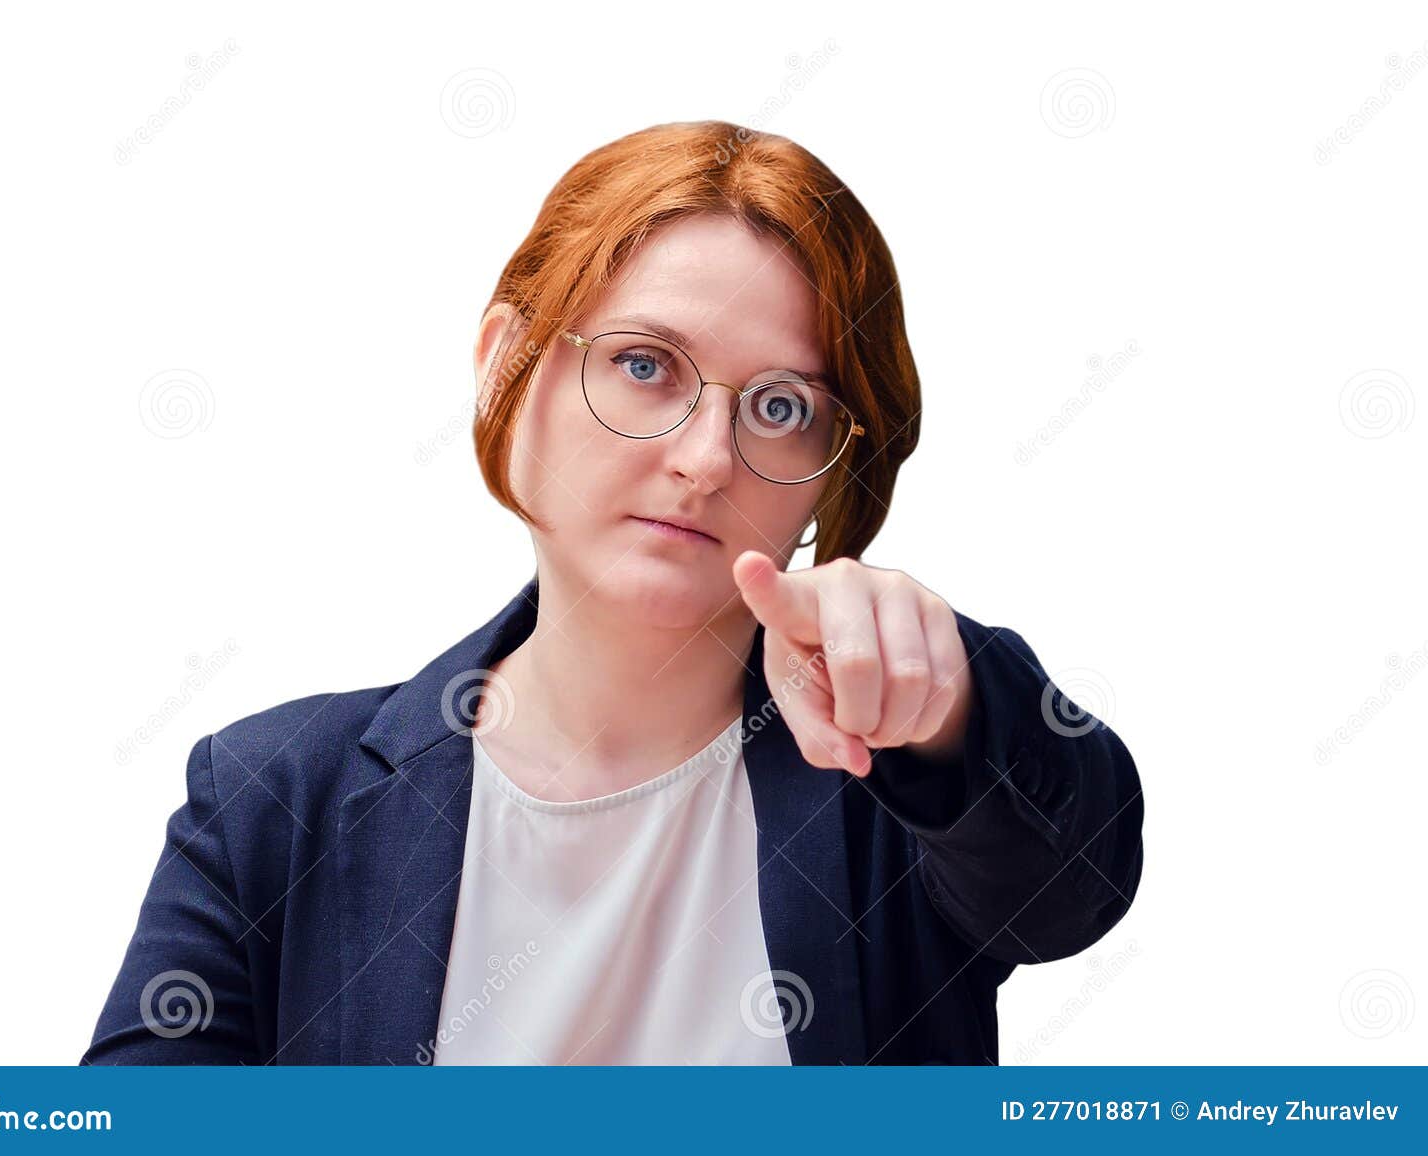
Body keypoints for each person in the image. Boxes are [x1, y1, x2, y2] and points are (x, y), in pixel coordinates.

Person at [81, 119, 1143, 1066]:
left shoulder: (893, 784)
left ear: (833, 464)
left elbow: (1076, 884)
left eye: (781, 406)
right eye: (644, 366)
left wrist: (948, 709)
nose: (706, 457)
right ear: (506, 361)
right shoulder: (272, 800)